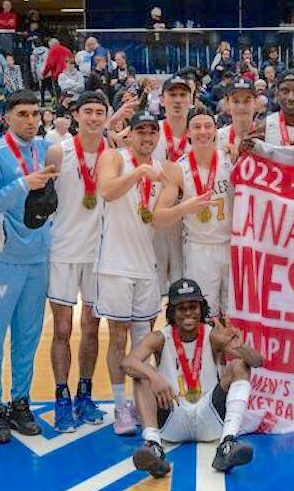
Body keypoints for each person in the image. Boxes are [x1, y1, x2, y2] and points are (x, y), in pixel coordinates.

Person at [0, 90, 59, 443]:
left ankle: (20, 401)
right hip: (1, 259)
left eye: (35, 113)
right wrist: (24, 183)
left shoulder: (46, 149)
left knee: (28, 337)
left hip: (38, 259)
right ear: (6, 117)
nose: (30, 120)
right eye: (22, 114)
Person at [46, 91, 131, 431]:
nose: (94, 118)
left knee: (93, 328)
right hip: (63, 250)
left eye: (100, 112)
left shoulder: (115, 157)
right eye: (88, 112)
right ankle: (61, 396)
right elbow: (42, 199)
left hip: (100, 253)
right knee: (63, 329)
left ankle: (84, 392)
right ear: (76, 114)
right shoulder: (58, 151)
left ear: (106, 116)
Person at [122, 279, 261, 477]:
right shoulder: (160, 338)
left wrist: (241, 347)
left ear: (201, 309)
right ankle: (154, 445)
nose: (188, 313)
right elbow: (127, 362)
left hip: (209, 415)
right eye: (182, 308)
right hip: (173, 417)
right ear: (172, 312)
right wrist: (153, 375)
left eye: (193, 307)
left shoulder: (213, 335)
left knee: (240, 364)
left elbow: (257, 361)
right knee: (141, 375)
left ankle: (227, 443)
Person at [94, 110, 168, 435]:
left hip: (146, 266)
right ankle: (119, 405)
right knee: (117, 336)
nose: (147, 137)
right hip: (115, 264)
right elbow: (107, 192)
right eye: (141, 131)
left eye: (153, 132)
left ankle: (141, 402)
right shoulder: (115, 158)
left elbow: (161, 217)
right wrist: (138, 172)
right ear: (131, 133)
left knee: (142, 341)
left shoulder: (163, 169)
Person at [154, 108, 233, 317]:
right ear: (188, 132)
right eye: (196, 127)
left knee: (234, 316)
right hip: (199, 249)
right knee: (206, 316)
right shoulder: (178, 169)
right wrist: (185, 208)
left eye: (208, 126)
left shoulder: (230, 159)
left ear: (216, 130)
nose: (203, 131)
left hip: (232, 246)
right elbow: (158, 217)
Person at [151, 77, 190, 288]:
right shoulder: (149, 131)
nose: (177, 101)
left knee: (183, 287)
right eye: (172, 95)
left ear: (191, 100)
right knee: (152, 290)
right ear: (162, 99)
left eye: (183, 95)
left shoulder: (203, 133)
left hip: (188, 221)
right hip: (156, 219)